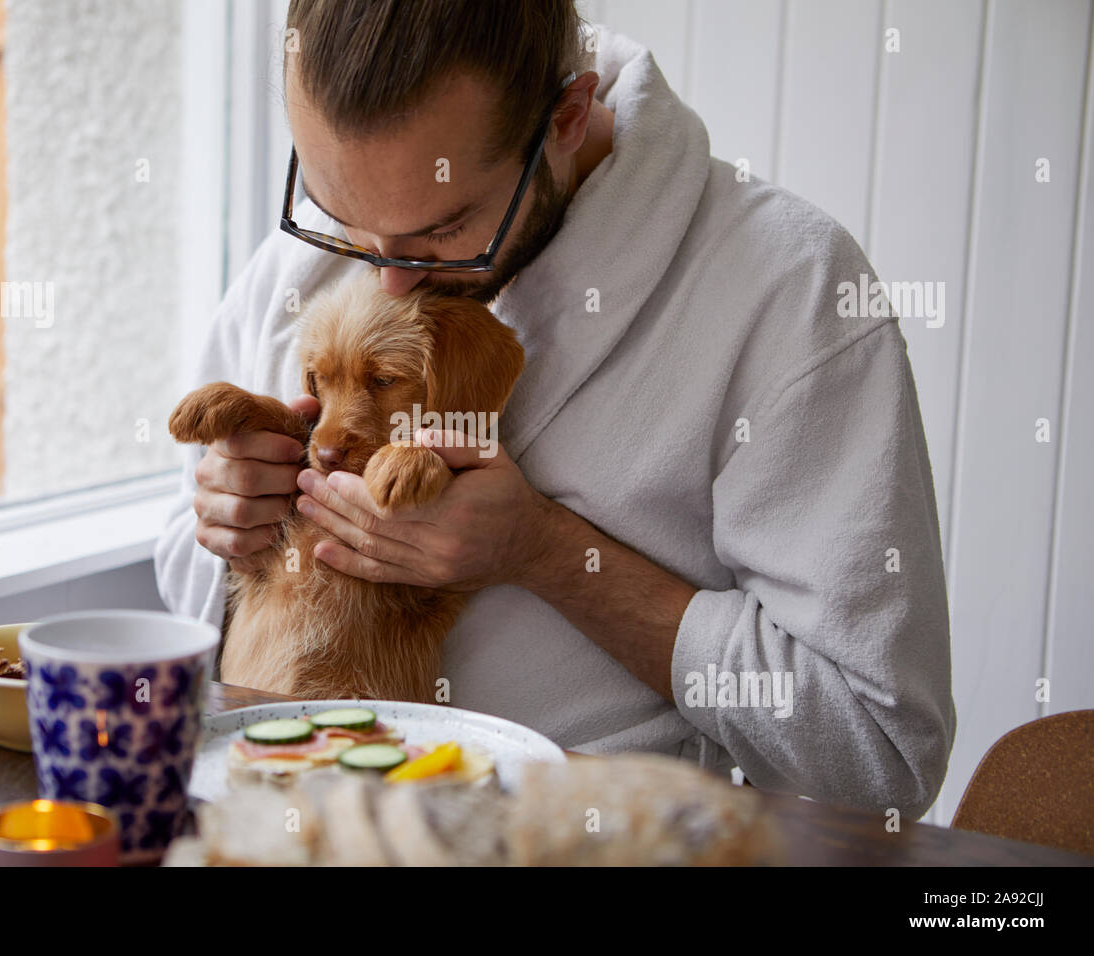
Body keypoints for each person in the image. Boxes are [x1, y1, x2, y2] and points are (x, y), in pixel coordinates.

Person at [155, 0, 955, 818]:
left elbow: (877, 756)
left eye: (443, 225)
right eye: (343, 217)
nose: (386, 277)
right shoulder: (333, 240)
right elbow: (185, 586)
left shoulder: (791, 292)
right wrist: (229, 527)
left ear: (567, 118)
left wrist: (546, 551)